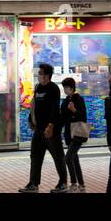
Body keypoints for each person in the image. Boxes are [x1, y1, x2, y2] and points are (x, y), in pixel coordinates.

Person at [21, 63, 68, 193]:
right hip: (38, 129)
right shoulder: (38, 88)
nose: (39, 75)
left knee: (58, 157)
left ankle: (63, 183)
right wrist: (31, 119)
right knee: (35, 156)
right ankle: (33, 184)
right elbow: (34, 105)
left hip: (51, 130)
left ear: (47, 76)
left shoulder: (53, 89)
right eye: (39, 73)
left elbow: (54, 109)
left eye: (41, 73)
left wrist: (51, 126)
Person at [60, 77, 89, 192]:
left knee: (68, 158)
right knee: (74, 159)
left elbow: (83, 117)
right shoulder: (66, 100)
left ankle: (73, 183)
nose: (64, 90)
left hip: (77, 133)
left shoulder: (79, 99)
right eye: (64, 88)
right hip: (68, 133)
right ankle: (81, 184)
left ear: (71, 88)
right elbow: (62, 116)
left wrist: (74, 110)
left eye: (66, 88)